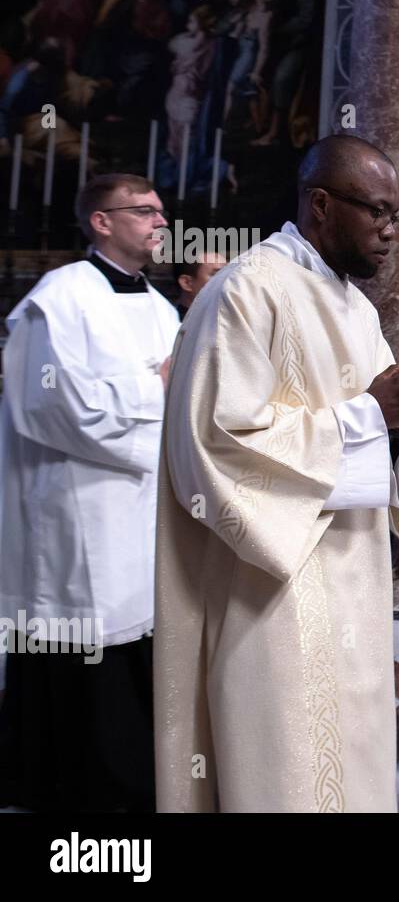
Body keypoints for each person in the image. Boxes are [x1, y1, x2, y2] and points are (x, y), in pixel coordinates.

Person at [153, 134, 399, 812]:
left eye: (395, 216)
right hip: (272, 589)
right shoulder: (246, 291)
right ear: (321, 203)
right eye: (376, 212)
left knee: (350, 763)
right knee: (287, 770)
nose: (390, 232)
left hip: (354, 581)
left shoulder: (357, 308)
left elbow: (376, 434)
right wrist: (367, 418)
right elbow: (212, 443)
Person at [0, 173, 180, 811]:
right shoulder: (60, 299)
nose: (160, 222)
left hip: (141, 505)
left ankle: (127, 779)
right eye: (144, 211)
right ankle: (72, 785)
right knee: (81, 640)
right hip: (76, 506)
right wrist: (153, 388)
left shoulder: (162, 308)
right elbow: (46, 403)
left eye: (162, 212)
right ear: (101, 221)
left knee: (133, 642)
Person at [172, 250, 226, 320]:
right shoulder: (170, 325)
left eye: (227, 272)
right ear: (187, 283)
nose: (228, 279)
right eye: (217, 274)